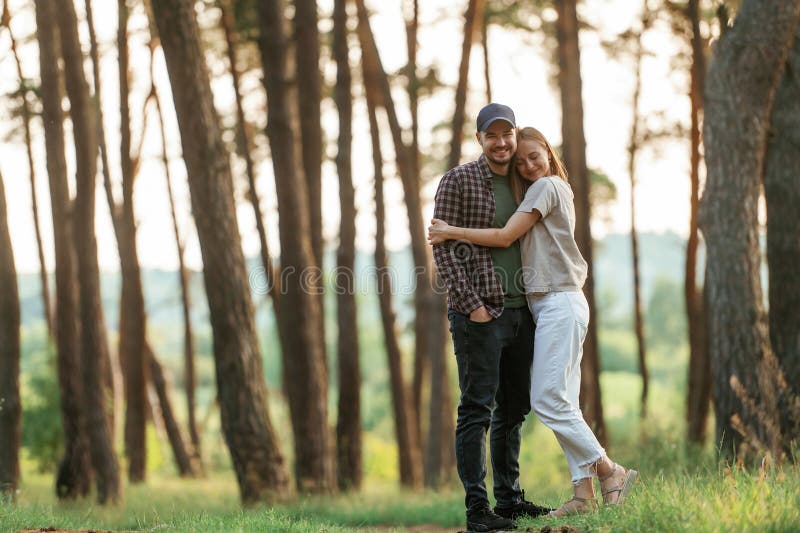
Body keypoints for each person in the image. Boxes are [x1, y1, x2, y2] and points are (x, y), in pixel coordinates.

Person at [429, 126, 638, 517]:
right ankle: (583, 496)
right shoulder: (541, 188)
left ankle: (611, 471)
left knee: (547, 400)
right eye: (521, 162)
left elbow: (505, 236)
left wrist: (450, 231)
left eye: (534, 156)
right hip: (550, 305)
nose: (527, 166)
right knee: (565, 403)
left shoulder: (545, 186)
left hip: (558, 301)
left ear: (548, 151)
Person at [432, 104, 552, 533]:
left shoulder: (526, 180)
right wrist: (473, 306)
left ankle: (510, 501)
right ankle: (478, 510)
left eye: (507, 134)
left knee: (514, 408)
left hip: (524, 312)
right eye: (492, 135)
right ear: (479, 139)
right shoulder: (458, 180)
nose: (501, 143)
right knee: (476, 409)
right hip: (479, 315)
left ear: (516, 134)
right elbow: (443, 249)